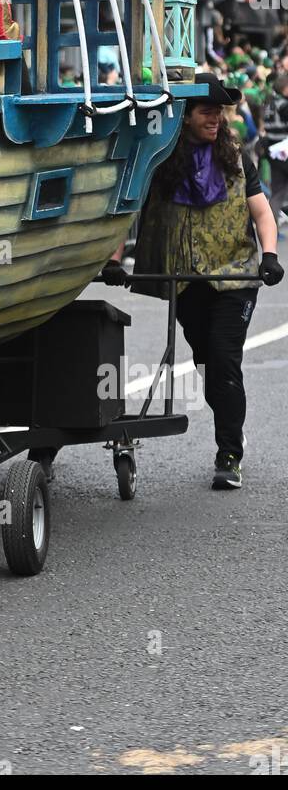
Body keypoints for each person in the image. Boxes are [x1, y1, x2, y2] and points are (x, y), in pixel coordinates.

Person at [102, 73, 282, 490]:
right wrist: (114, 260)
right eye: (207, 111)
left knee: (223, 359)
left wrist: (269, 256)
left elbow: (261, 213)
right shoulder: (161, 160)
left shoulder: (236, 158)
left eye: (219, 111)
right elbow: (129, 212)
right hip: (185, 281)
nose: (215, 118)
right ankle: (231, 425)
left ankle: (229, 453)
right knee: (206, 361)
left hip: (234, 279)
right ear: (184, 116)